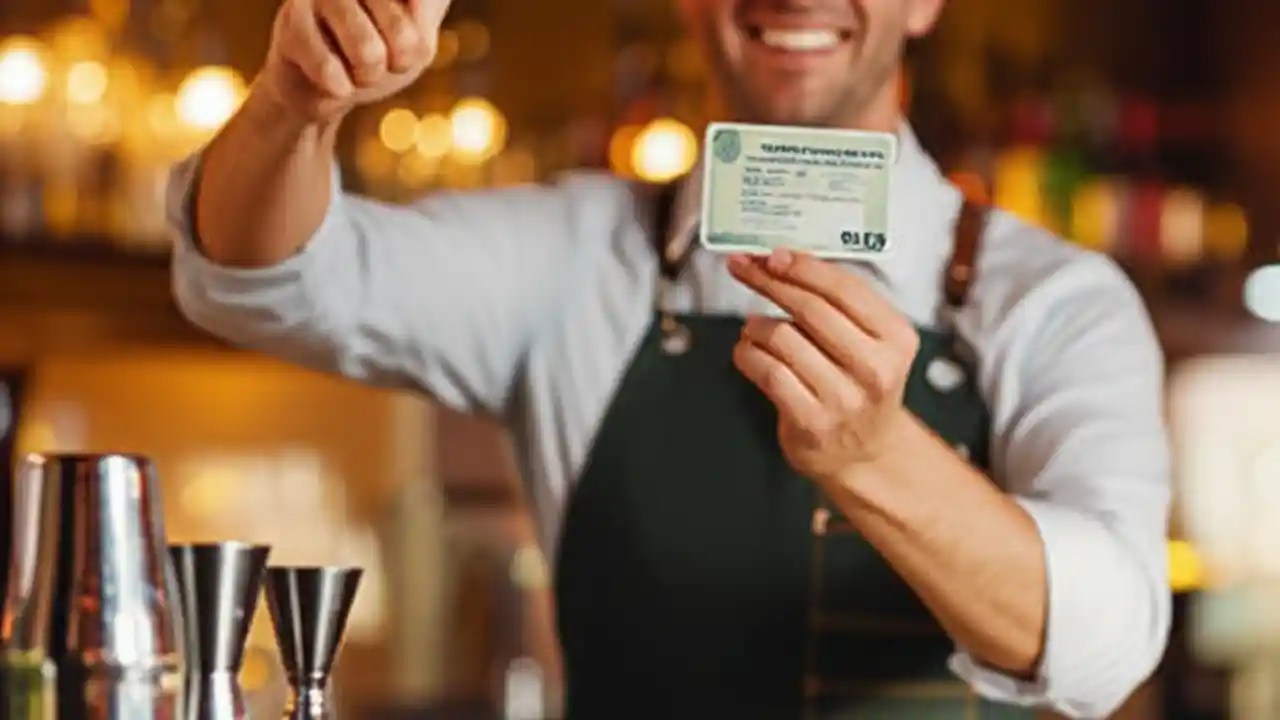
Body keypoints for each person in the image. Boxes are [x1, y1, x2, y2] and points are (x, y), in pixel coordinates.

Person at [166, 0, 1171, 717]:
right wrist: (294, 103)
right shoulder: (571, 256)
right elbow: (265, 281)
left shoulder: (1053, 304)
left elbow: (1106, 645)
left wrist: (876, 456)